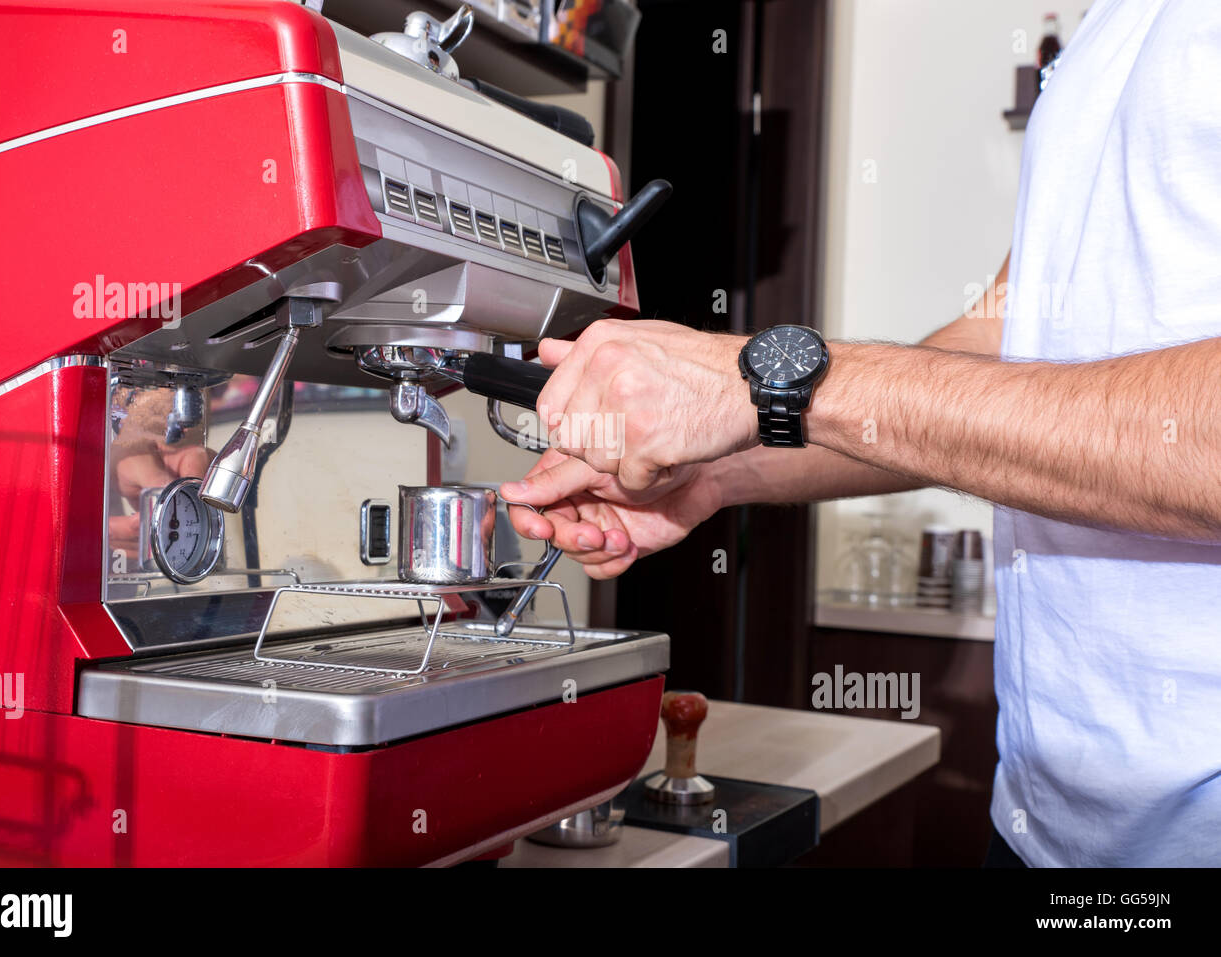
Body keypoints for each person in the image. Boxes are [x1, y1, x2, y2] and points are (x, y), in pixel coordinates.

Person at [500, 0, 1221, 867]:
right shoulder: (1112, 26)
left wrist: (774, 376)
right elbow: (1000, 343)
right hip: (1044, 827)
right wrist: (718, 471)